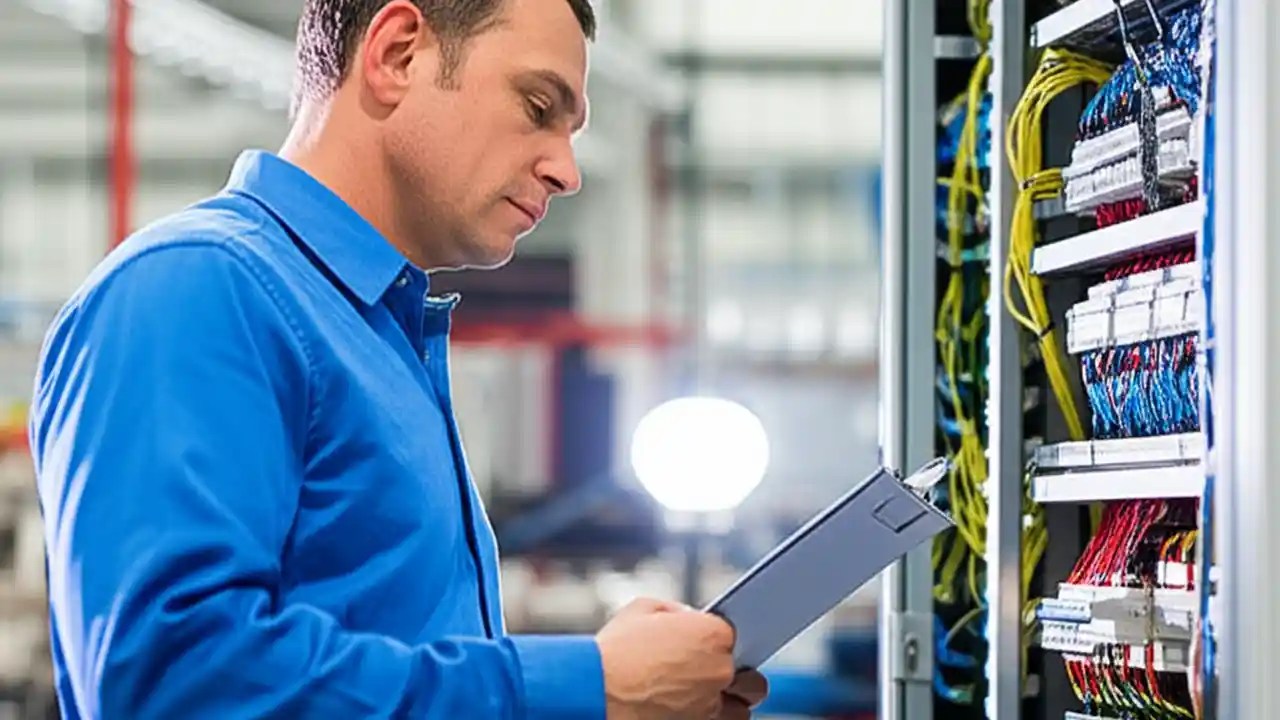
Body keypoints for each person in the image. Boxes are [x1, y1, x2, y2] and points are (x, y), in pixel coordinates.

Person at [28, 0, 768, 718]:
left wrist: (622, 699)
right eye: (539, 107)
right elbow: (171, 686)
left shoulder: (375, 336)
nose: (566, 170)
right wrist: (582, 687)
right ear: (397, 55)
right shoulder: (199, 287)